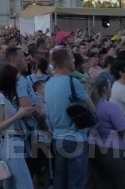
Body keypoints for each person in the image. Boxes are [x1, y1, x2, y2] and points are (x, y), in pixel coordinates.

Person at [44, 48, 92, 189]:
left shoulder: (48, 84)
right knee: (76, 182)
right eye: (72, 59)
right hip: (76, 138)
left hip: (58, 137)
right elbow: (91, 108)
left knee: (60, 180)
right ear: (65, 63)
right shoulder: (73, 82)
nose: (74, 61)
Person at [0, 64, 35, 189]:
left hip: (13, 144)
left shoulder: (4, 97)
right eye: (16, 80)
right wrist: (19, 114)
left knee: (10, 185)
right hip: (11, 145)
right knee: (25, 184)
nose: (17, 83)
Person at [87, 76, 125, 189]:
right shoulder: (110, 107)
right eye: (110, 86)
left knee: (104, 183)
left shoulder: (90, 106)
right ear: (105, 88)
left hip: (94, 147)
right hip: (115, 151)